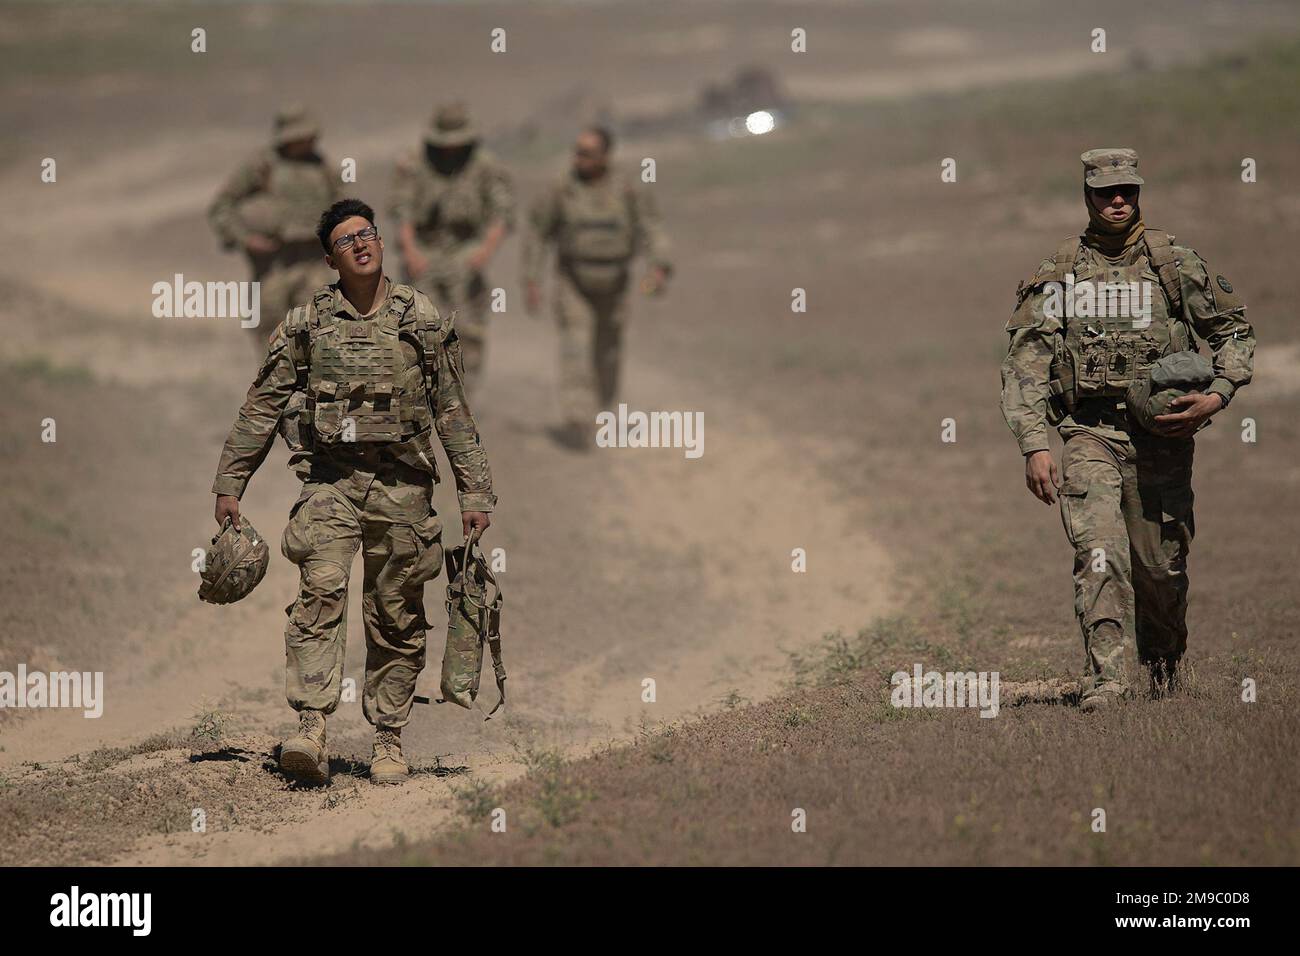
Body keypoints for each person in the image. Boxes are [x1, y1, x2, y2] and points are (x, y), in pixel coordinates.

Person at [210, 198, 495, 785]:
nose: (361, 244)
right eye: (346, 240)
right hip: (330, 485)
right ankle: (311, 726)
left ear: (382, 242)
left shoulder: (421, 319)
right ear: (329, 258)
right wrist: (231, 480)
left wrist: (474, 492)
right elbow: (262, 405)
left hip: (404, 490)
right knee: (320, 595)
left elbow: (452, 411)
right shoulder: (306, 325)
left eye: (368, 234)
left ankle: (387, 738)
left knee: (396, 615)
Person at [1000, 148, 1255, 712]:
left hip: (1162, 438)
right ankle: (1106, 681)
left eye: (1128, 192)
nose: (1118, 201)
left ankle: (1163, 673)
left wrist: (1214, 396)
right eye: (1105, 193)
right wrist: (1034, 445)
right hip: (1089, 434)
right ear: (1086, 195)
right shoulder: (1060, 272)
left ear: (1139, 192)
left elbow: (1236, 333)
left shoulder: (1175, 264)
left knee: (1160, 568)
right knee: (1098, 553)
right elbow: (1026, 363)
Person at [522, 127, 672, 448]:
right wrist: (531, 278)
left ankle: (603, 410)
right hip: (573, 281)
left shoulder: (628, 189)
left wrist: (659, 266)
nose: (579, 159)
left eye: (587, 153)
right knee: (575, 344)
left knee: (608, 350)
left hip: (615, 284)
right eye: (577, 151)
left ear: (605, 156)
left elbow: (651, 227)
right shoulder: (561, 189)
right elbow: (537, 232)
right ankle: (578, 417)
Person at [389, 103, 515, 393]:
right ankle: (419, 395)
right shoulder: (414, 163)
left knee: (469, 328)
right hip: (424, 249)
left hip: (466, 249)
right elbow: (402, 211)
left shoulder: (485, 165)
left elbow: (502, 213)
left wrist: (485, 251)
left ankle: (463, 395)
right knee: (417, 328)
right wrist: (411, 252)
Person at [208, 105, 341, 350]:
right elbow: (221, 207)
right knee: (271, 341)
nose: (311, 140)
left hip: (313, 262)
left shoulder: (324, 167)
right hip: (273, 266)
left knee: (318, 336)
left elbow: (345, 211)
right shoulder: (261, 165)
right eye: (304, 136)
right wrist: (245, 239)